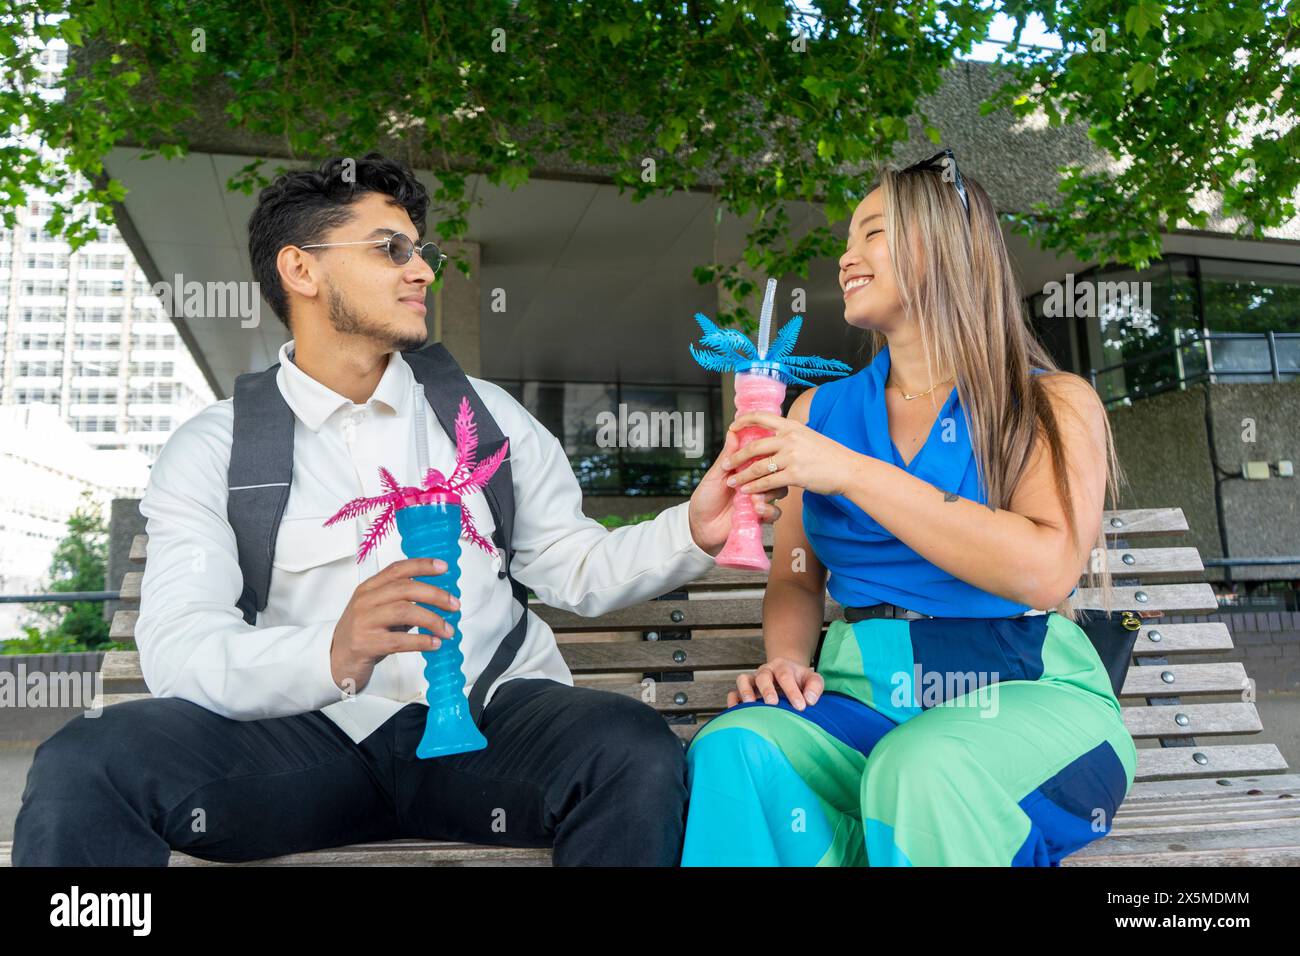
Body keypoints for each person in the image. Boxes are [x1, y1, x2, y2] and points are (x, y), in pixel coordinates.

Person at [13, 152, 780, 867]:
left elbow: (573, 566)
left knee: (629, 748)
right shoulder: (215, 447)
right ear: (301, 269)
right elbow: (181, 646)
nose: (421, 271)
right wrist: (332, 652)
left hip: (485, 734)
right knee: (88, 763)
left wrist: (693, 529)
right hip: (299, 744)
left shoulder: (486, 418)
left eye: (421, 252)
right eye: (390, 250)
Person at [680, 151, 1138, 866]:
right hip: (863, 688)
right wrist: (785, 661)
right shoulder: (820, 410)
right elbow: (798, 575)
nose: (845, 255)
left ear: (944, 248)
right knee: (736, 748)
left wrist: (853, 473)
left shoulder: (1052, 402)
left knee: (920, 769)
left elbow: (1045, 573)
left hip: (1024, 685)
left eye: (872, 233)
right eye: (847, 237)